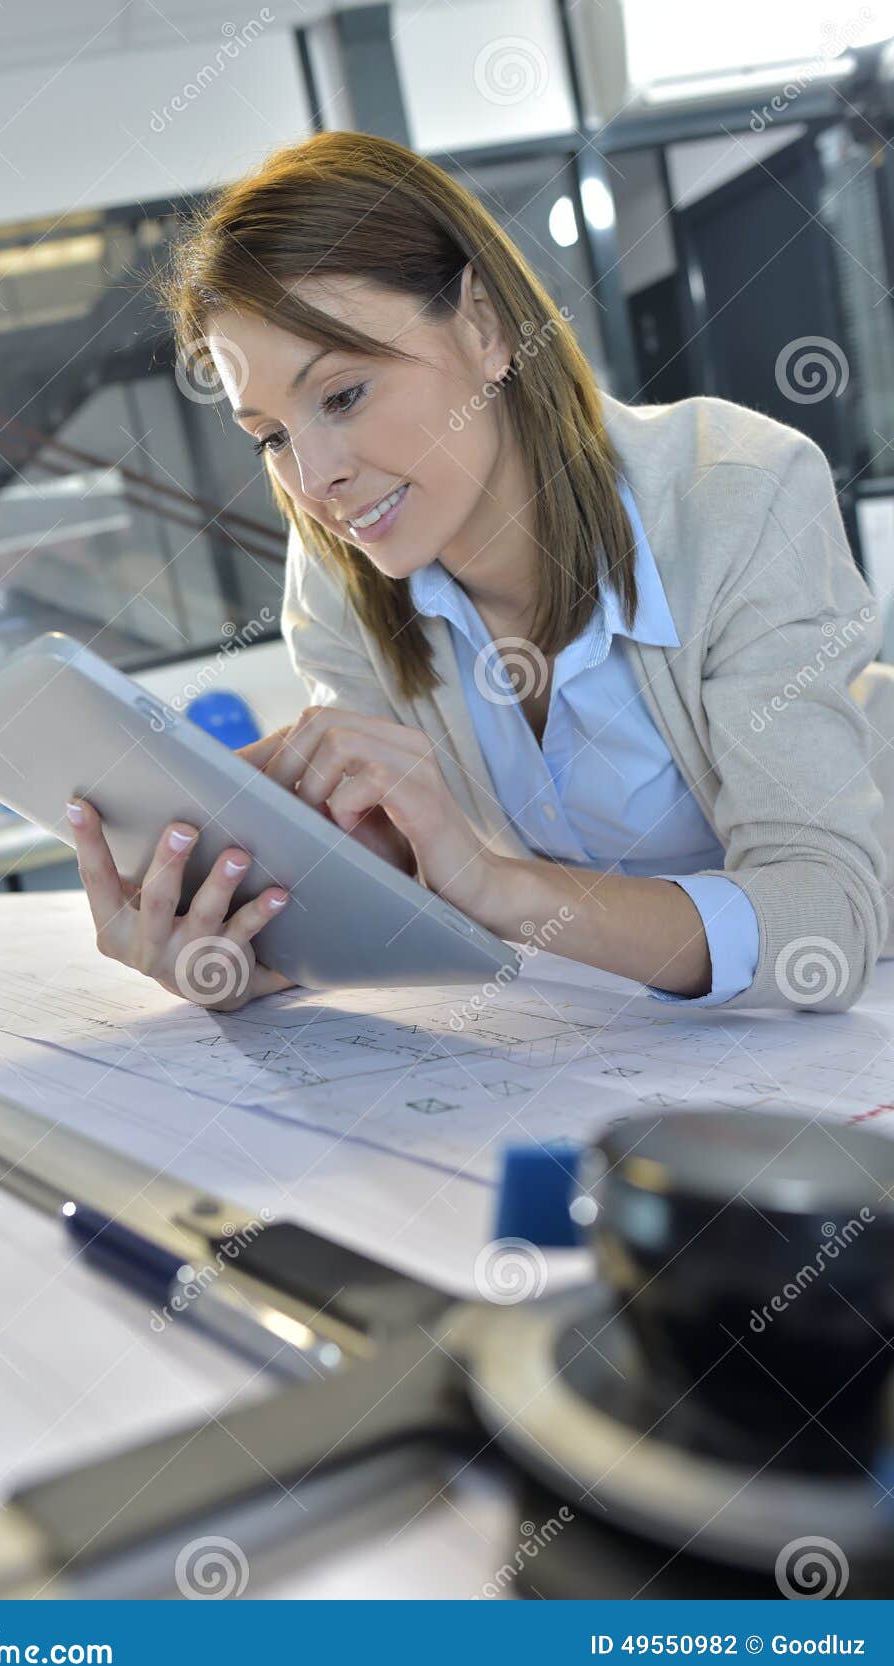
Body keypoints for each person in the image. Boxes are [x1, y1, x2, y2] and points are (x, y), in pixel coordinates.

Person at [67, 130, 894, 1016]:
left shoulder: (734, 492)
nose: (313, 480)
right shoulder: (341, 568)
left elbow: (825, 917)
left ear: (485, 327)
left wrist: (500, 888)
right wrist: (256, 942)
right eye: (269, 437)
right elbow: (395, 867)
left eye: (342, 395)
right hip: (614, 1030)